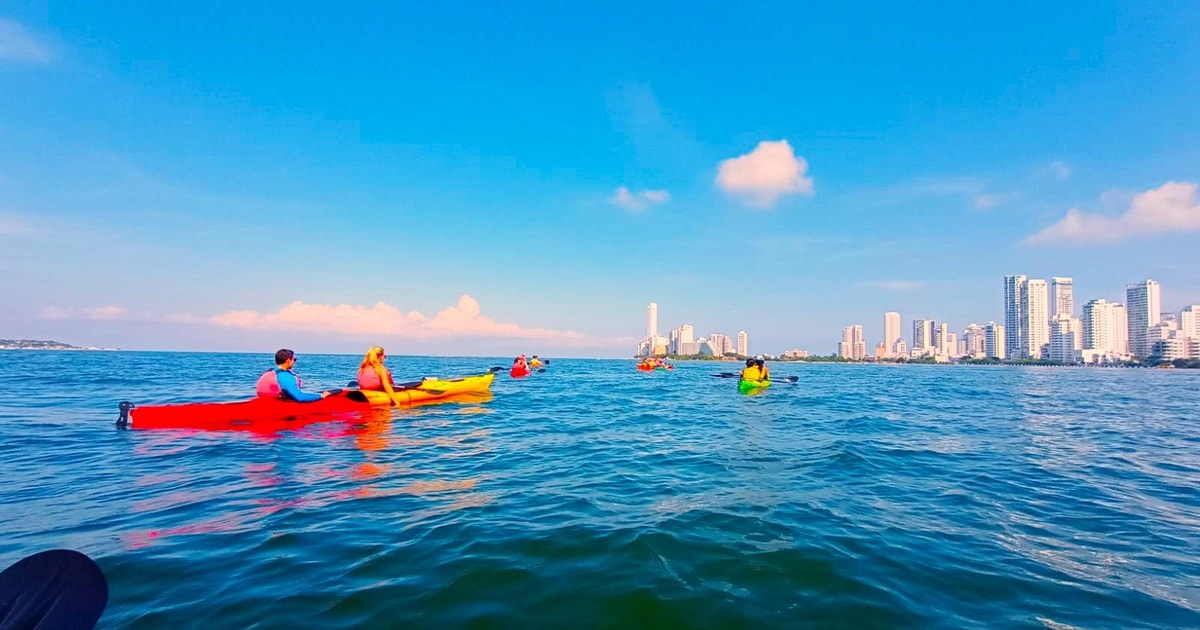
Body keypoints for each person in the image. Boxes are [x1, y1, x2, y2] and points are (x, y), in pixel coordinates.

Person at [255, 349, 332, 402]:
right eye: (294, 359)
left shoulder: (269, 372)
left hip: (267, 402)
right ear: (288, 360)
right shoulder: (285, 376)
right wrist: (321, 396)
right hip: (281, 405)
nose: (294, 362)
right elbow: (299, 397)